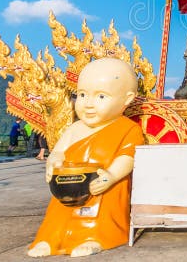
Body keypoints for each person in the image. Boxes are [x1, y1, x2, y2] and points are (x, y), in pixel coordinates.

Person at [28, 57, 144, 258]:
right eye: (81, 95)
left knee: (100, 212)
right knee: (58, 214)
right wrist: (53, 162)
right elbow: (58, 151)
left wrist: (111, 176)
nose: (88, 104)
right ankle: (51, 240)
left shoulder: (128, 129)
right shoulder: (75, 128)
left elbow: (128, 157)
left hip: (104, 184)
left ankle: (96, 238)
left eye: (101, 97)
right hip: (68, 183)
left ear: (127, 99)